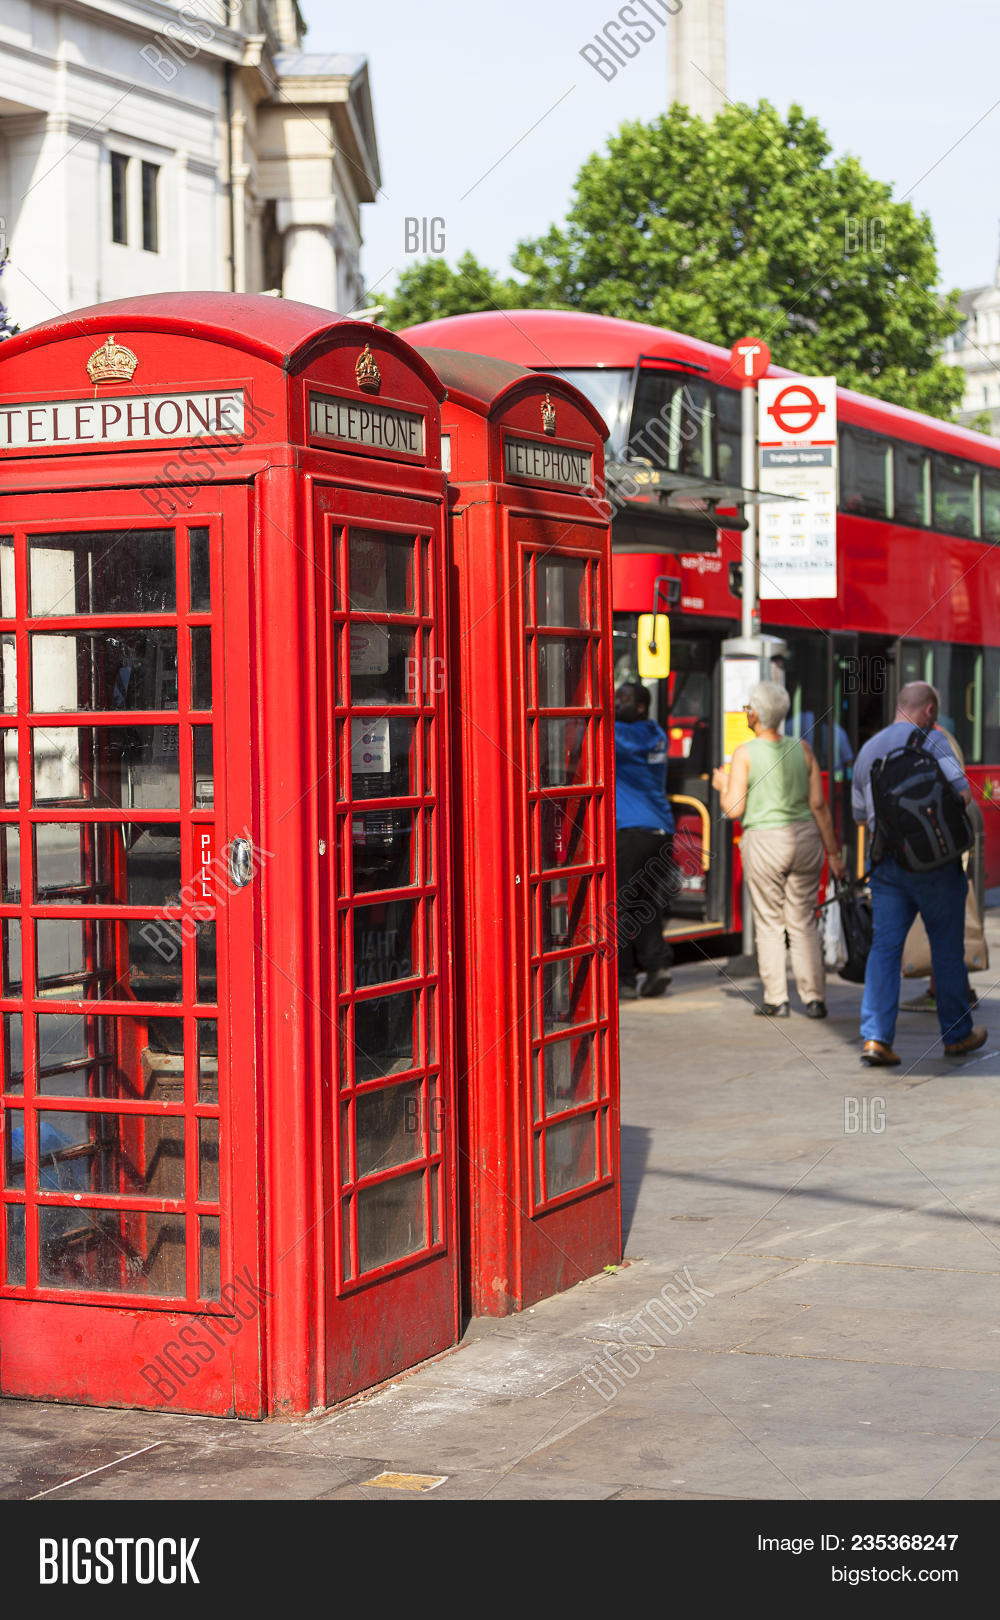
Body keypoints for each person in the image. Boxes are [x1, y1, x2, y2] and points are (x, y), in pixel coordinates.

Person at [851, 680, 986, 1065]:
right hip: (935, 865)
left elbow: (860, 816)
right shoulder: (934, 742)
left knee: (885, 948)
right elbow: (963, 795)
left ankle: (876, 1038)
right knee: (945, 948)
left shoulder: (867, 751)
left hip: (888, 867)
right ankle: (957, 1035)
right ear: (928, 711)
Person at [712, 681, 847, 1018]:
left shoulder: (745, 753)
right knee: (802, 920)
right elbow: (819, 805)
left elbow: (733, 810)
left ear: (755, 715)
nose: (745, 713)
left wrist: (722, 784)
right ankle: (814, 998)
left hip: (765, 841)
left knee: (770, 921)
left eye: (747, 709)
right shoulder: (802, 749)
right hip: (805, 840)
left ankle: (776, 998)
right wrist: (833, 854)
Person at [614, 681, 676, 1000]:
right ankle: (657, 967)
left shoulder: (619, 735)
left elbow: (583, 731)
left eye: (623, 699)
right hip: (661, 830)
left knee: (622, 906)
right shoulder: (658, 735)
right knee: (648, 904)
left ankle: (624, 980)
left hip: (630, 831)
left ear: (640, 706)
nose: (615, 702)